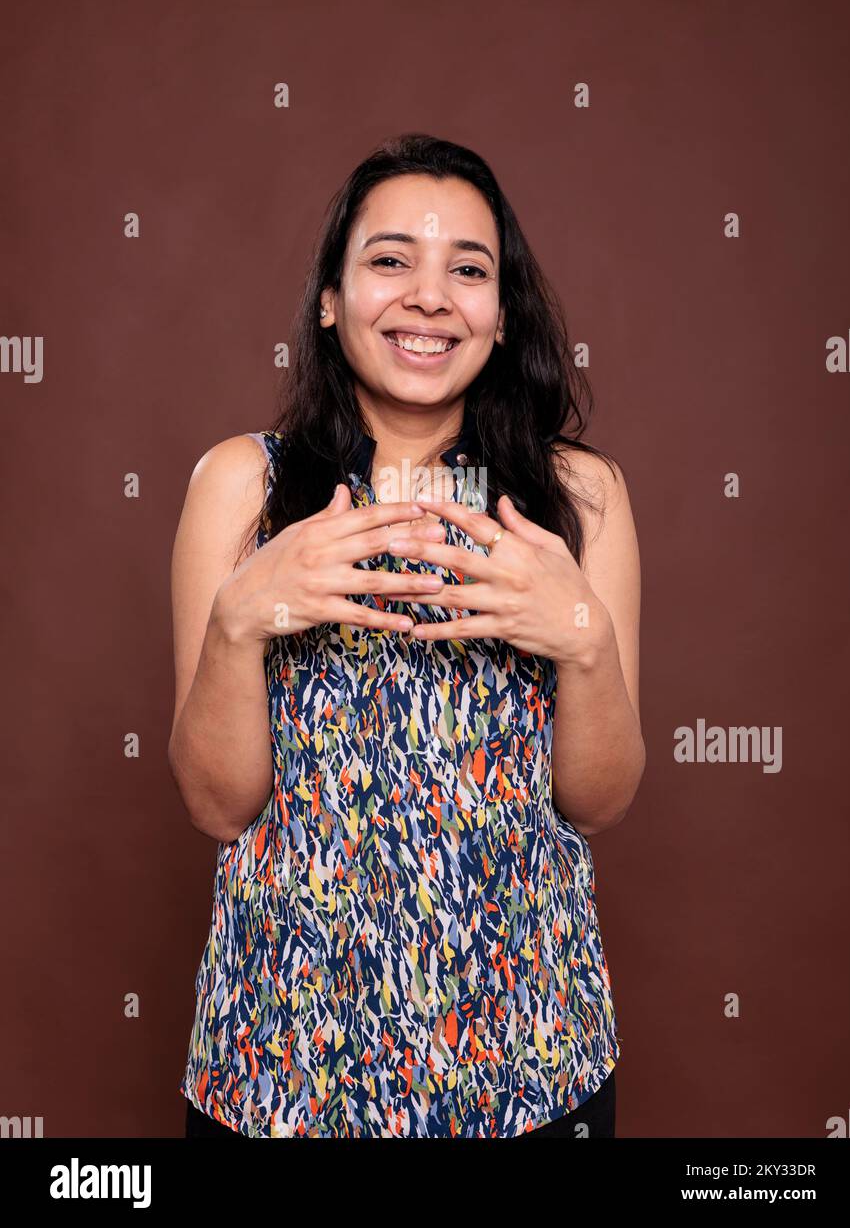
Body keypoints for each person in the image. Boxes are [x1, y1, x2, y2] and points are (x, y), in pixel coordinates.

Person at [169, 132, 644, 1138]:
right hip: (281, 1070)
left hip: (529, 1065)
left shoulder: (578, 498)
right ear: (331, 299)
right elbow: (217, 806)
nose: (430, 297)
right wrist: (237, 621)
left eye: (466, 270)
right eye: (390, 259)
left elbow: (596, 802)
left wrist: (581, 638)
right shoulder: (240, 487)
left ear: (501, 315)